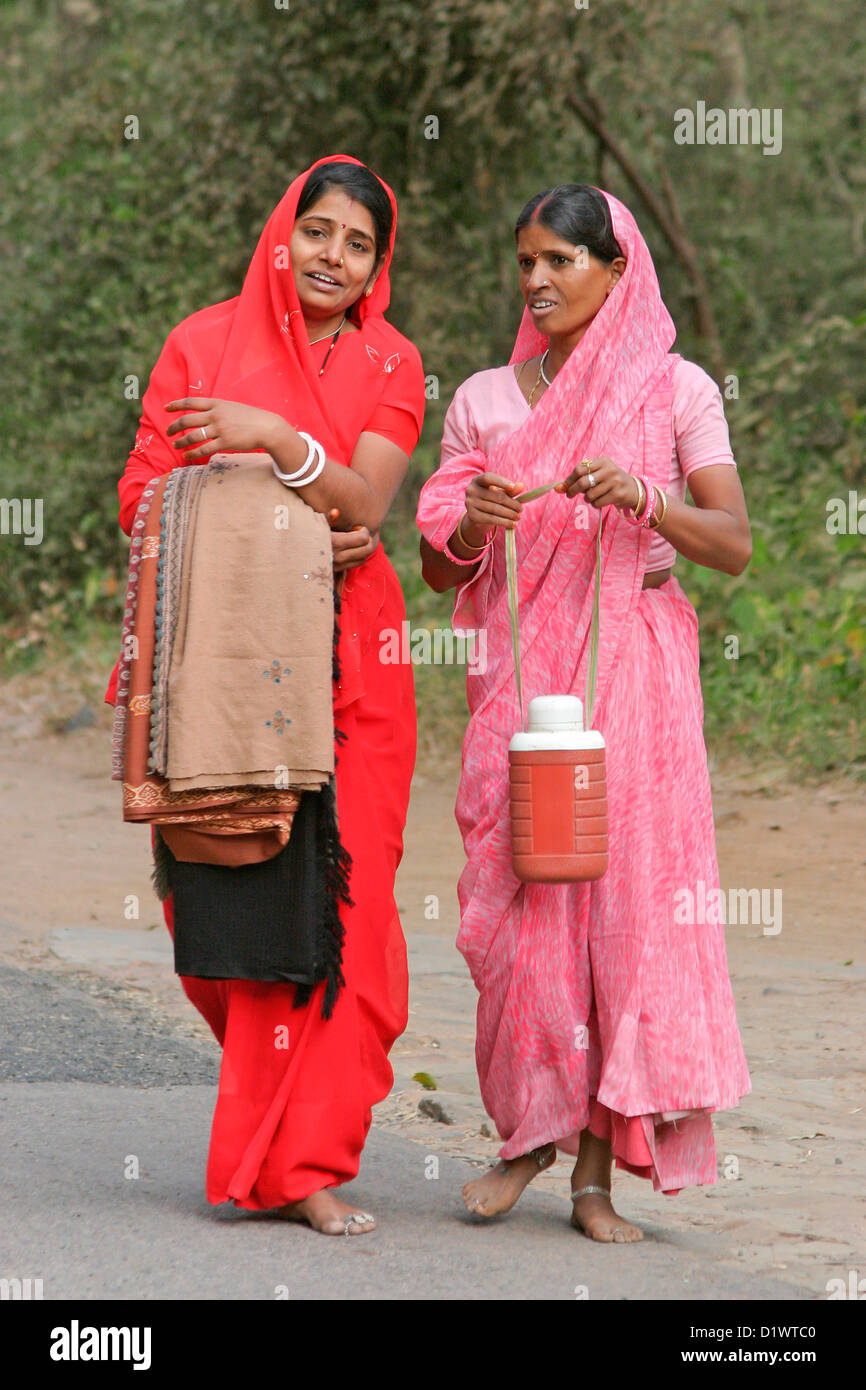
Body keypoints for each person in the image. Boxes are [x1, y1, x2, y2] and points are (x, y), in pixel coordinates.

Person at [417, 183, 751, 1243]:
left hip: (637, 682)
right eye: (526, 261)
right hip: (524, 681)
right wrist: (471, 518)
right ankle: (524, 1134)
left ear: (619, 270)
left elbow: (731, 541)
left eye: (561, 259)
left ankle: (592, 1177)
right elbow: (436, 565)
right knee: (519, 908)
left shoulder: (675, 390)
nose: (537, 280)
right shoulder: (484, 399)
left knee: (618, 918)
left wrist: (645, 500)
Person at [105, 155, 425, 1236]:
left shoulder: (392, 358)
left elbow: (363, 497)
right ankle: (272, 1134)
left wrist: (274, 439)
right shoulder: (200, 343)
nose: (334, 257)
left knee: (356, 913)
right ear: (282, 234)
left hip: (355, 665)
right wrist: (282, 512)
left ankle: (300, 1163)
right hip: (221, 663)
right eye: (320, 232)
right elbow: (144, 499)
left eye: (359, 244)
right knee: (225, 885)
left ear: (379, 264)